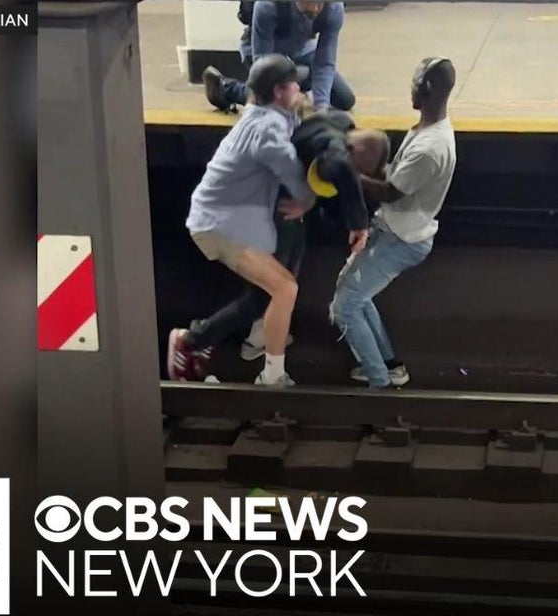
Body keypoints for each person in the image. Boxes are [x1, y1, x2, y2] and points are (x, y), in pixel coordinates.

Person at [167, 54, 318, 387]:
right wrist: (309, 197)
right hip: (220, 224)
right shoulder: (268, 130)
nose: (300, 87)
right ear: (279, 91)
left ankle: (195, 341)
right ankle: (273, 376)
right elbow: (295, 177)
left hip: (229, 215)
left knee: (263, 296)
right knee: (284, 287)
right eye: (294, 84)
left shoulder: (262, 112)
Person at [329, 57, 458, 389]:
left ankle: (379, 385)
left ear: (425, 90)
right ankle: (389, 365)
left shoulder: (429, 148)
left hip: (401, 240)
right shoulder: (428, 129)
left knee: (345, 307)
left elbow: (390, 192)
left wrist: (347, 172)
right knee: (355, 293)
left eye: (415, 82)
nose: (411, 87)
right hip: (394, 229)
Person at [233, 111, 392, 361]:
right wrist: (358, 225)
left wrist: (308, 200)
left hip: (279, 197)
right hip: (274, 204)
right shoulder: (336, 150)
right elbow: (338, 168)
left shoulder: (340, 121)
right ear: (350, 150)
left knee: (290, 262)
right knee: (276, 276)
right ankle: (252, 340)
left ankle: (269, 329)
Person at [204, 2, 355, 114]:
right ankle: (225, 88)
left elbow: (324, 62)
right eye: (309, 2)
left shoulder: (333, 8)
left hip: (301, 52)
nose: (315, 8)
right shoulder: (268, 6)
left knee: (344, 99)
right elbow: (263, 67)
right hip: (265, 55)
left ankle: (294, 85)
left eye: (319, 2)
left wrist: (322, 108)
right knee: (272, 100)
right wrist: (280, 95)